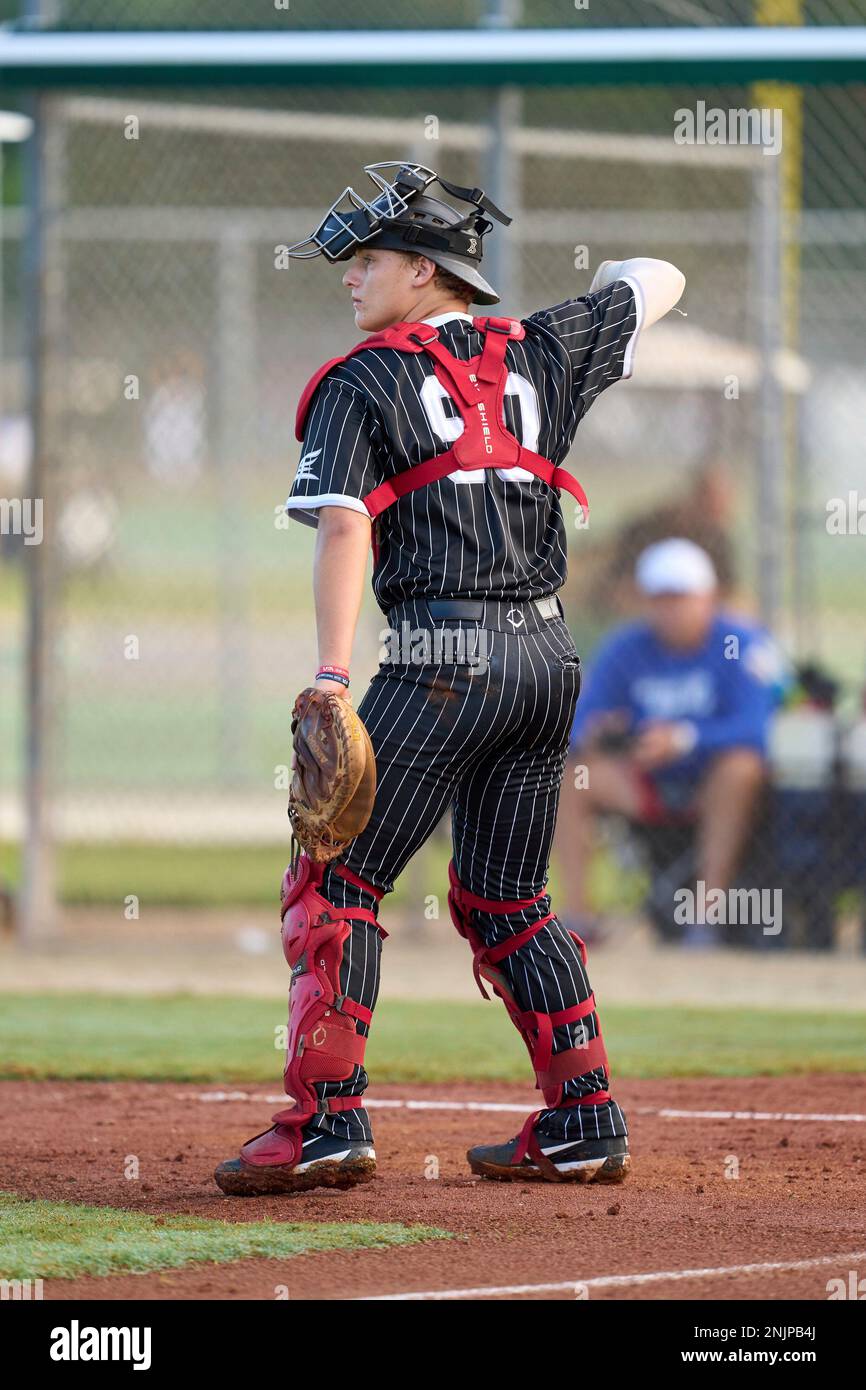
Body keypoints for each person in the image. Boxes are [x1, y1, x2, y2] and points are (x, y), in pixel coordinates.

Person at [214, 161, 685, 1195]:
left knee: (333, 876)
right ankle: (583, 1118)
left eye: (369, 260)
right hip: (546, 660)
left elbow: (345, 525)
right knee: (506, 896)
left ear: (425, 271)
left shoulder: (362, 378)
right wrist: (593, 296)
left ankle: (326, 1120)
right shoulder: (548, 346)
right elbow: (655, 276)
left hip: (438, 659)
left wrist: (332, 676)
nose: (350, 279)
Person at [556, 537, 786, 946]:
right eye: (661, 599)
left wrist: (684, 739)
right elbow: (578, 726)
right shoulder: (626, 648)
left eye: (681, 598)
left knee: (741, 767)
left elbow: (755, 729)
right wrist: (601, 734)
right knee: (573, 777)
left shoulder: (740, 644)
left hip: (712, 783)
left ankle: (705, 918)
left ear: (708, 597)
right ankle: (580, 917)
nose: (671, 610)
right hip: (646, 779)